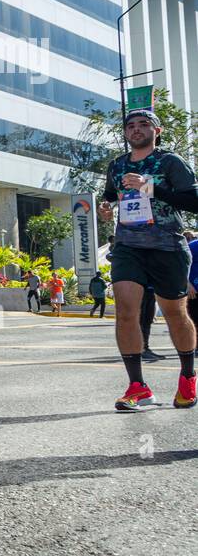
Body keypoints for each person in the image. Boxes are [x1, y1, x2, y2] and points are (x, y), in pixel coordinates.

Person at [96, 108, 198, 411]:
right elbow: (111, 195)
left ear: (157, 131)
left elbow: (192, 201)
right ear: (126, 133)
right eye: (131, 125)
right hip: (128, 246)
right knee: (126, 311)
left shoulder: (170, 162)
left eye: (144, 124)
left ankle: (188, 376)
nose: (136, 129)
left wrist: (149, 187)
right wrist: (105, 208)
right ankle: (138, 387)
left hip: (167, 246)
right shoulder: (117, 165)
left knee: (175, 314)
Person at [139, 286, 164, 361]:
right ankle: (140, 350)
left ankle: (145, 348)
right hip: (139, 288)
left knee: (148, 321)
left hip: (151, 290)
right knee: (140, 321)